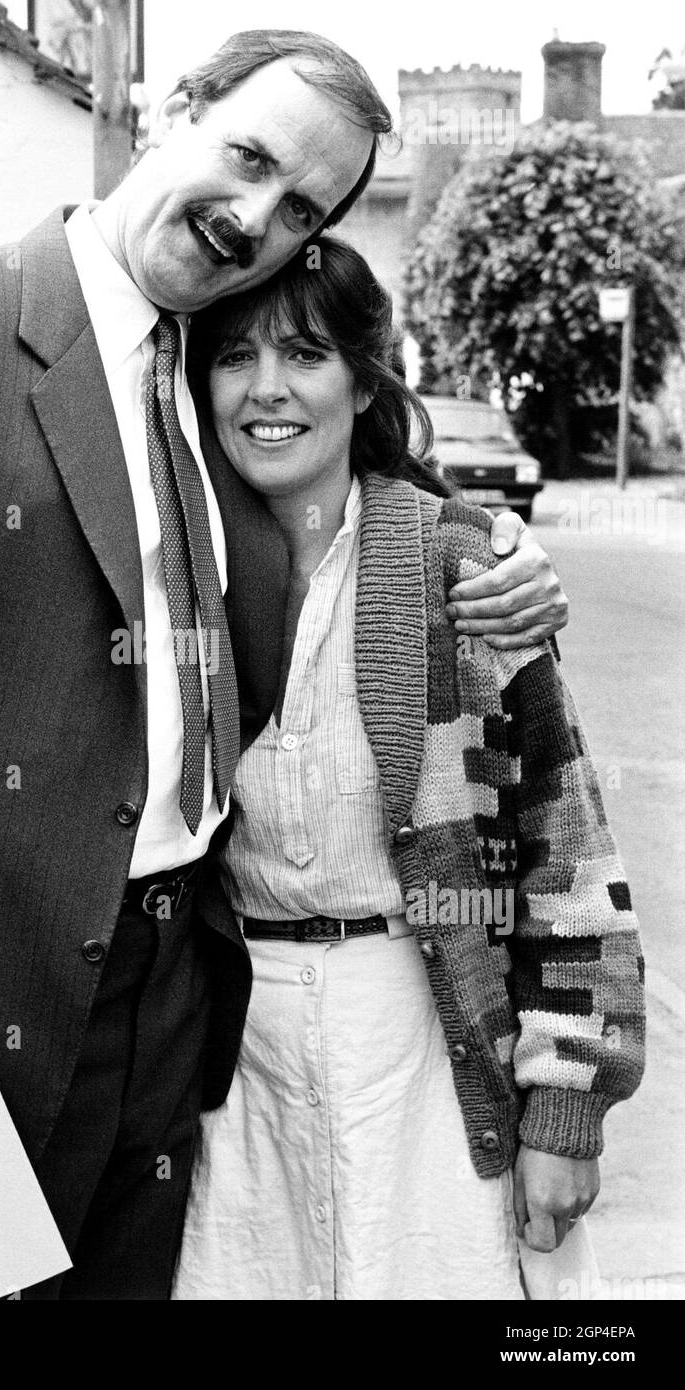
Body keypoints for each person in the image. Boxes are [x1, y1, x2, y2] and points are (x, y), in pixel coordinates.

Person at [0, 30, 569, 1301]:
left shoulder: (208, 372)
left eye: (300, 208)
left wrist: (491, 553)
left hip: (178, 1003)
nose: (252, 217)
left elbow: (347, 501)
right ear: (174, 109)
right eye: (246, 157)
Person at [170, 236, 645, 1301]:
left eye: (305, 354)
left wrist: (567, 1108)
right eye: (234, 358)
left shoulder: (463, 565)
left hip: (434, 1033)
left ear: (363, 378)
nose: (268, 390)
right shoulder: (176, 573)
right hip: (237, 1058)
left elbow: (564, 851)